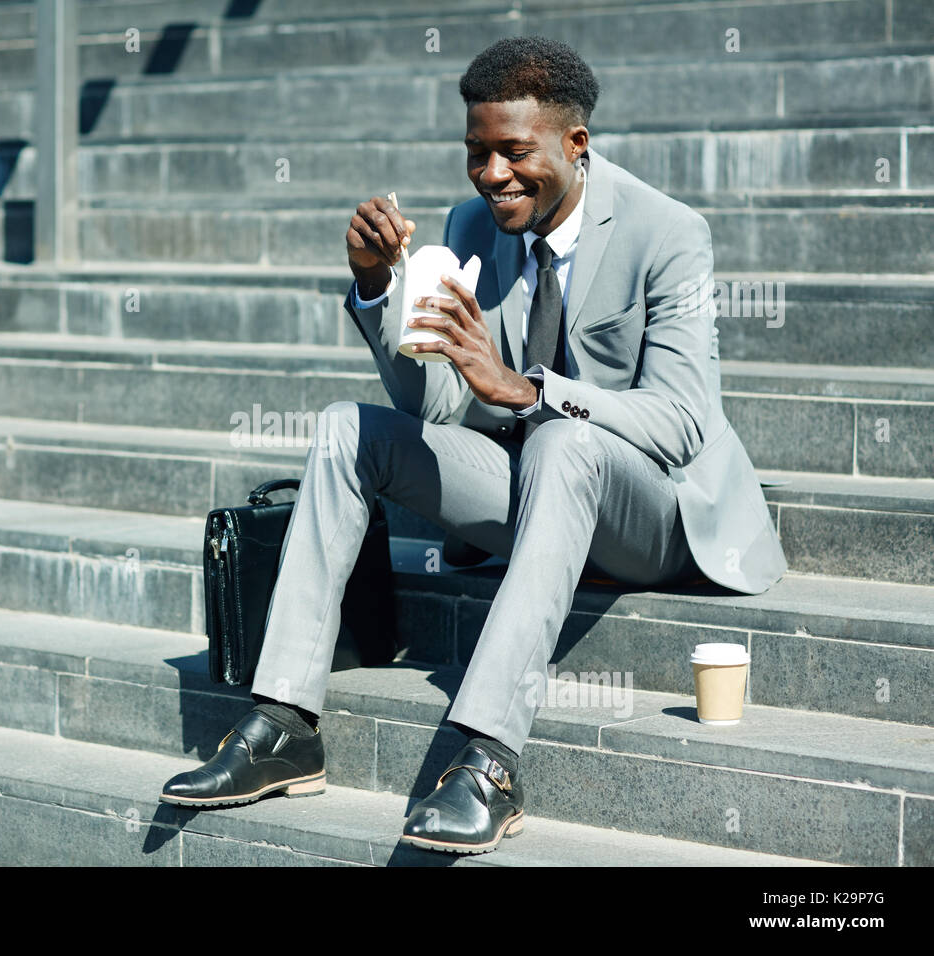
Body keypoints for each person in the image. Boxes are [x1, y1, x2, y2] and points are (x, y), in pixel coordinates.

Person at [161, 35, 786, 854]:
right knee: (350, 428)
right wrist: (379, 289)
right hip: (530, 493)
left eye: (513, 152)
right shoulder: (471, 226)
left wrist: (531, 392)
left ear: (576, 143)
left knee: (564, 443)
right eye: (476, 153)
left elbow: (681, 422)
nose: (492, 175)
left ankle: (490, 761)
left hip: (655, 517)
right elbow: (440, 402)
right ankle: (285, 724)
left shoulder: (667, 233)